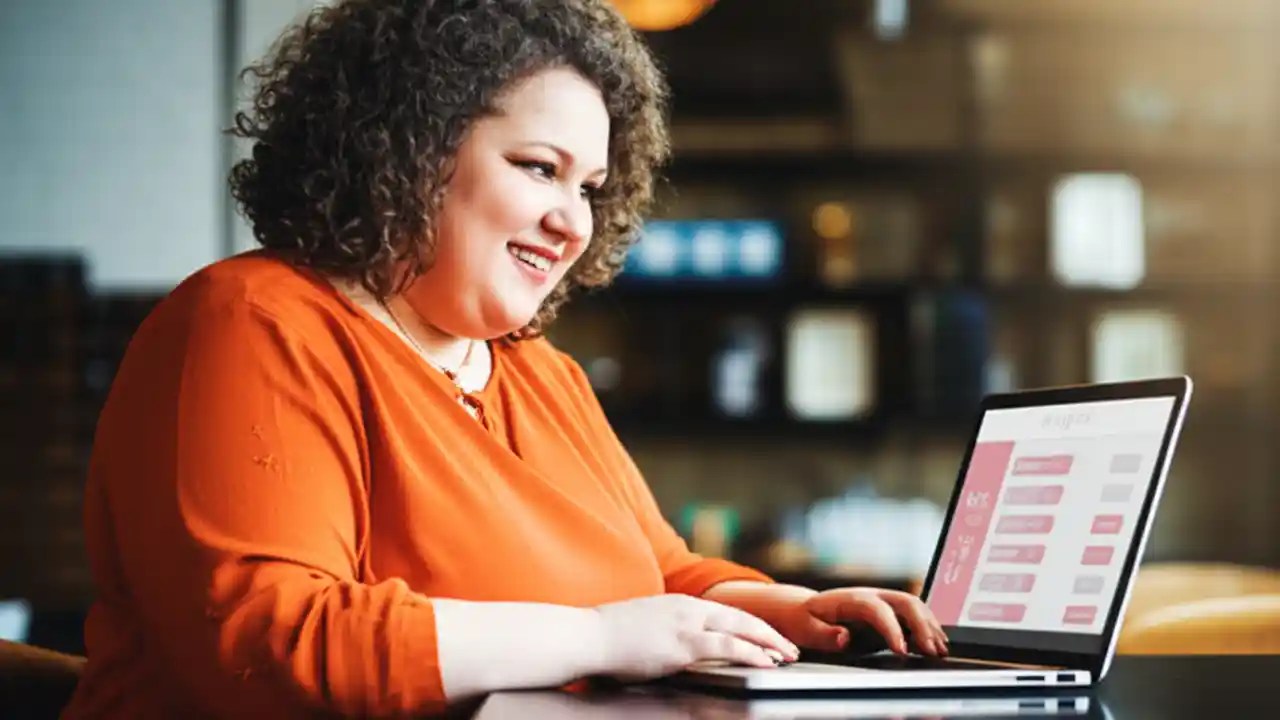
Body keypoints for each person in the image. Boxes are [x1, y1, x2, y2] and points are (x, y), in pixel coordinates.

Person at [62, 0, 947, 717]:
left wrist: (789, 610)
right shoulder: (252, 321)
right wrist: (602, 639)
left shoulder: (535, 369)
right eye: (537, 167)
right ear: (405, 152)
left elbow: (664, 574)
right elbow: (274, 647)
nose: (573, 220)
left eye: (590, 188)